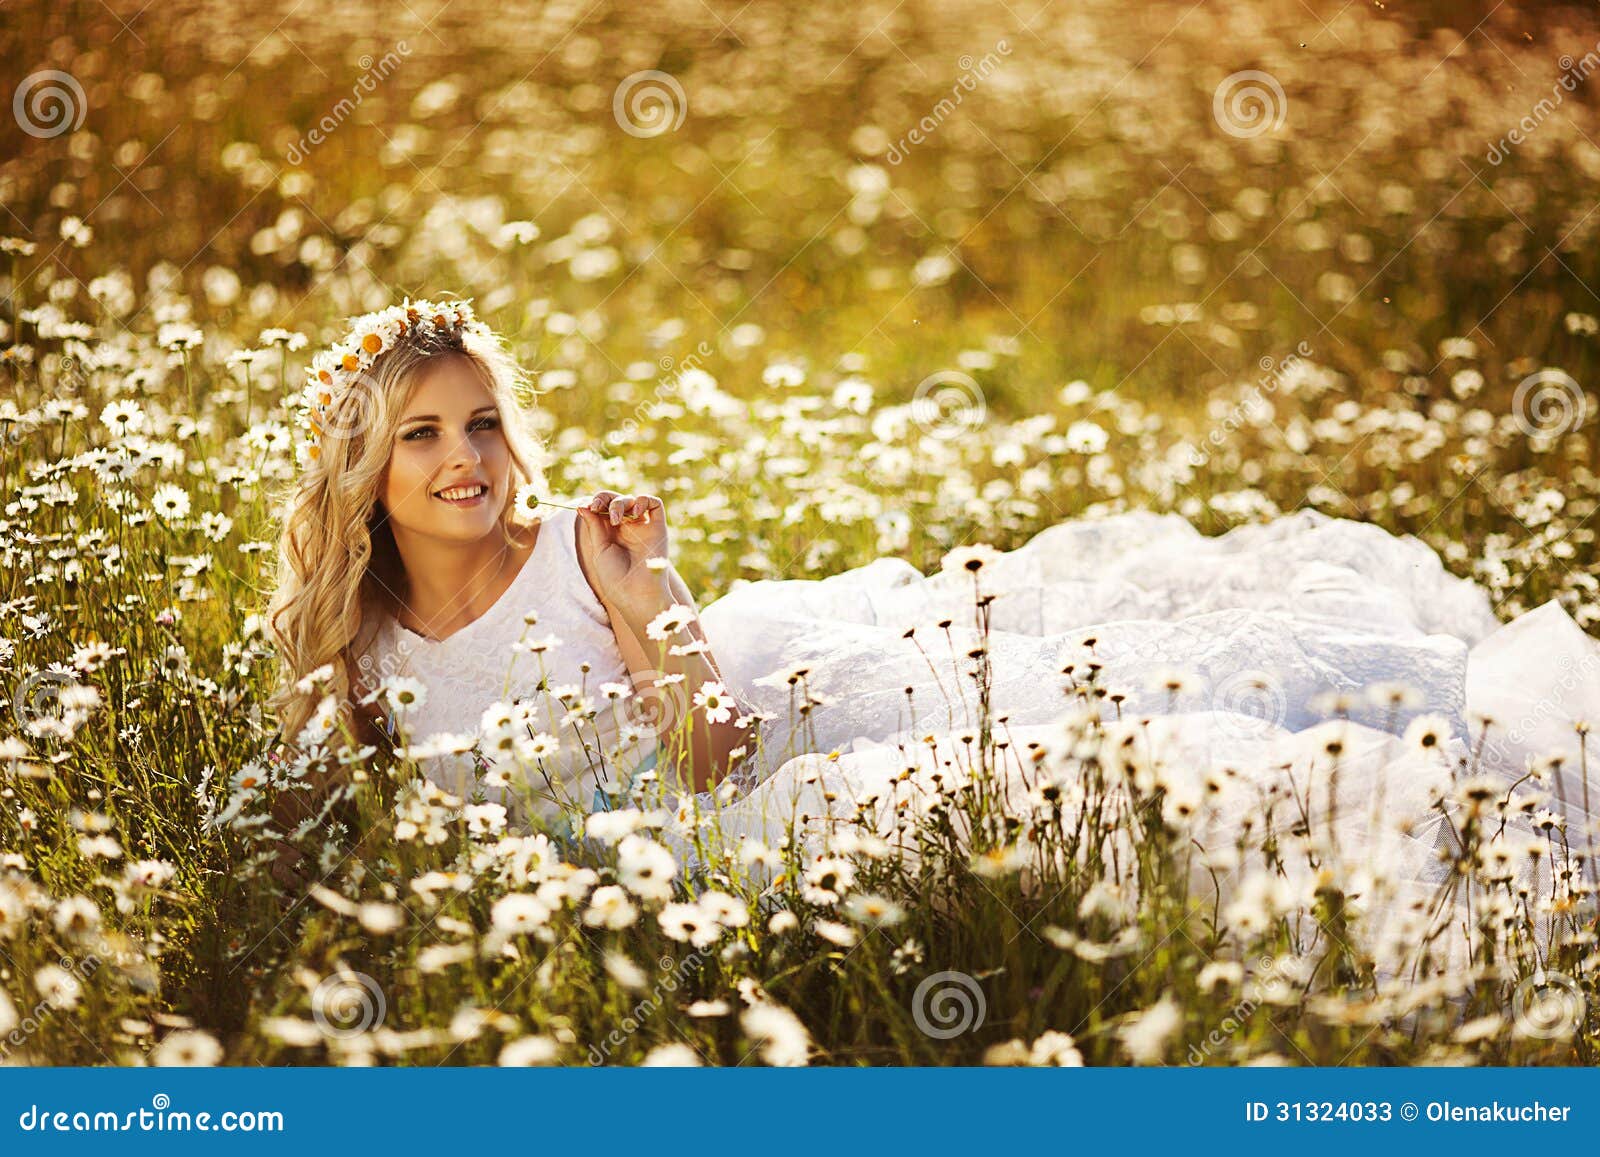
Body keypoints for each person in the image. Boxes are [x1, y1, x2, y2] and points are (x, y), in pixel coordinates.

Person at [262, 299, 758, 885]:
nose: (466, 458)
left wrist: (646, 594)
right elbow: (313, 830)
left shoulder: (586, 555)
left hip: (704, 852)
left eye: (482, 424)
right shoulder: (364, 640)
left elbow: (722, 769)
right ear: (363, 470)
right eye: (422, 434)